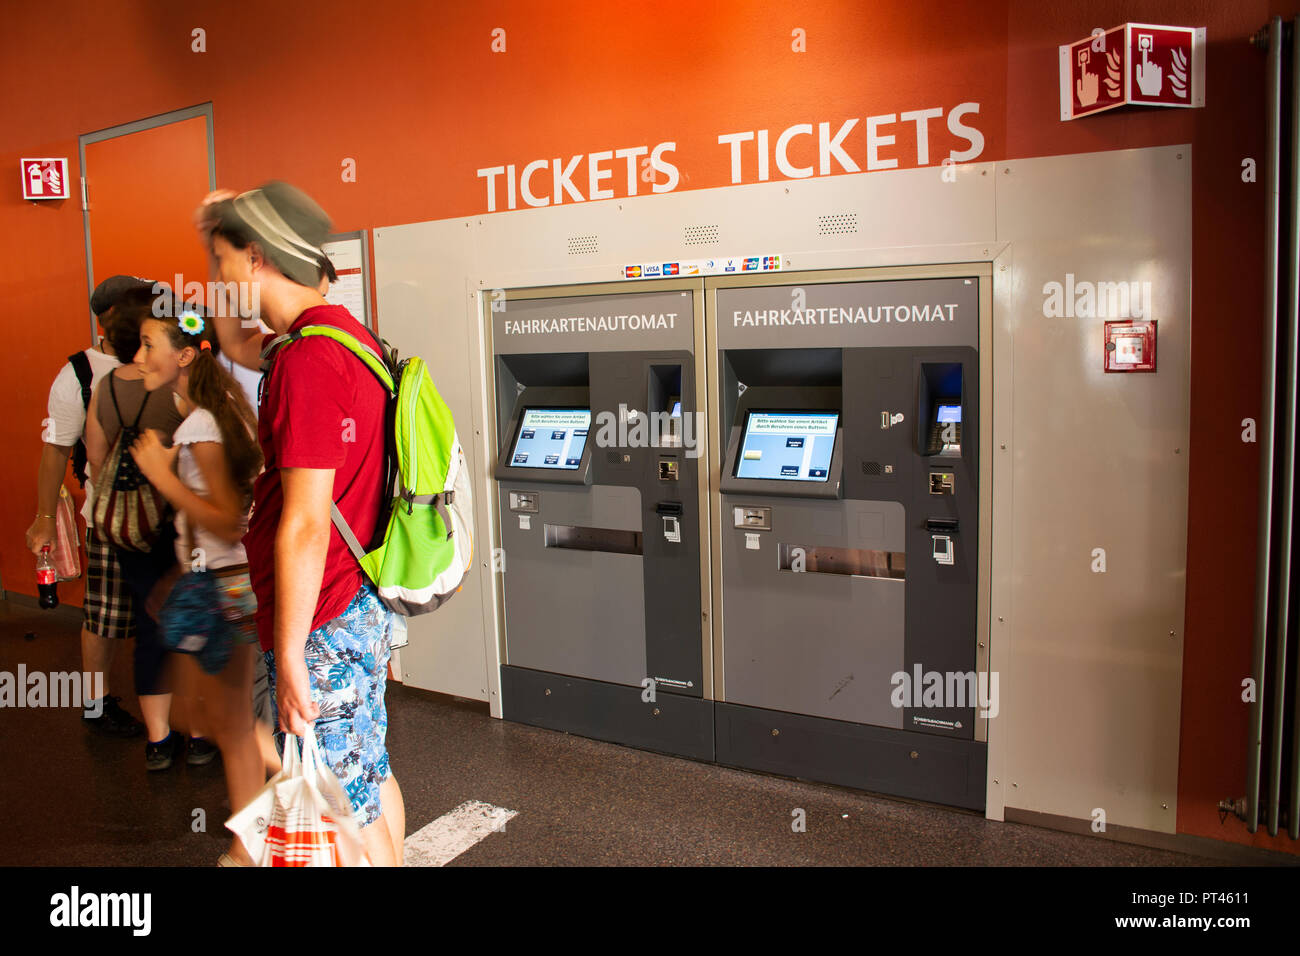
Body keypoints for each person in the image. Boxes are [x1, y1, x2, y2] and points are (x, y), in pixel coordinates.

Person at [199, 182, 404, 866]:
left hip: (322, 620)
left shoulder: (307, 362)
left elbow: (306, 524)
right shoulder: (336, 336)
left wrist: (288, 656)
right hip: (357, 603)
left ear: (255, 256)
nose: (216, 275)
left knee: (342, 807)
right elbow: (236, 338)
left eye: (222, 258)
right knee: (366, 780)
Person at [128, 305, 274, 864]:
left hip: (225, 587)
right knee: (205, 715)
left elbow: (225, 519)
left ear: (184, 355)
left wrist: (163, 476)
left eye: (148, 345)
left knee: (229, 725)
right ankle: (292, 801)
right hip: (215, 582)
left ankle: (249, 845)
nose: (139, 357)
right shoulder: (212, 415)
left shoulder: (202, 424)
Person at [26, 276, 155, 737]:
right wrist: (44, 518)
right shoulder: (78, 374)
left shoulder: (162, 356)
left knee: (171, 616)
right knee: (104, 614)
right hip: (110, 518)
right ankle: (96, 704)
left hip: (171, 515)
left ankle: (181, 715)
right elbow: (56, 448)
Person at [84, 294, 188, 770]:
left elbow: (97, 456)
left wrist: (126, 506)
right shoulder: (178, 391)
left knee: (149, 625)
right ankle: (202, 734)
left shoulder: (104, 387)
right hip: (177, 524)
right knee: (188, 624)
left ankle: (158, 741)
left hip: (125, 527)